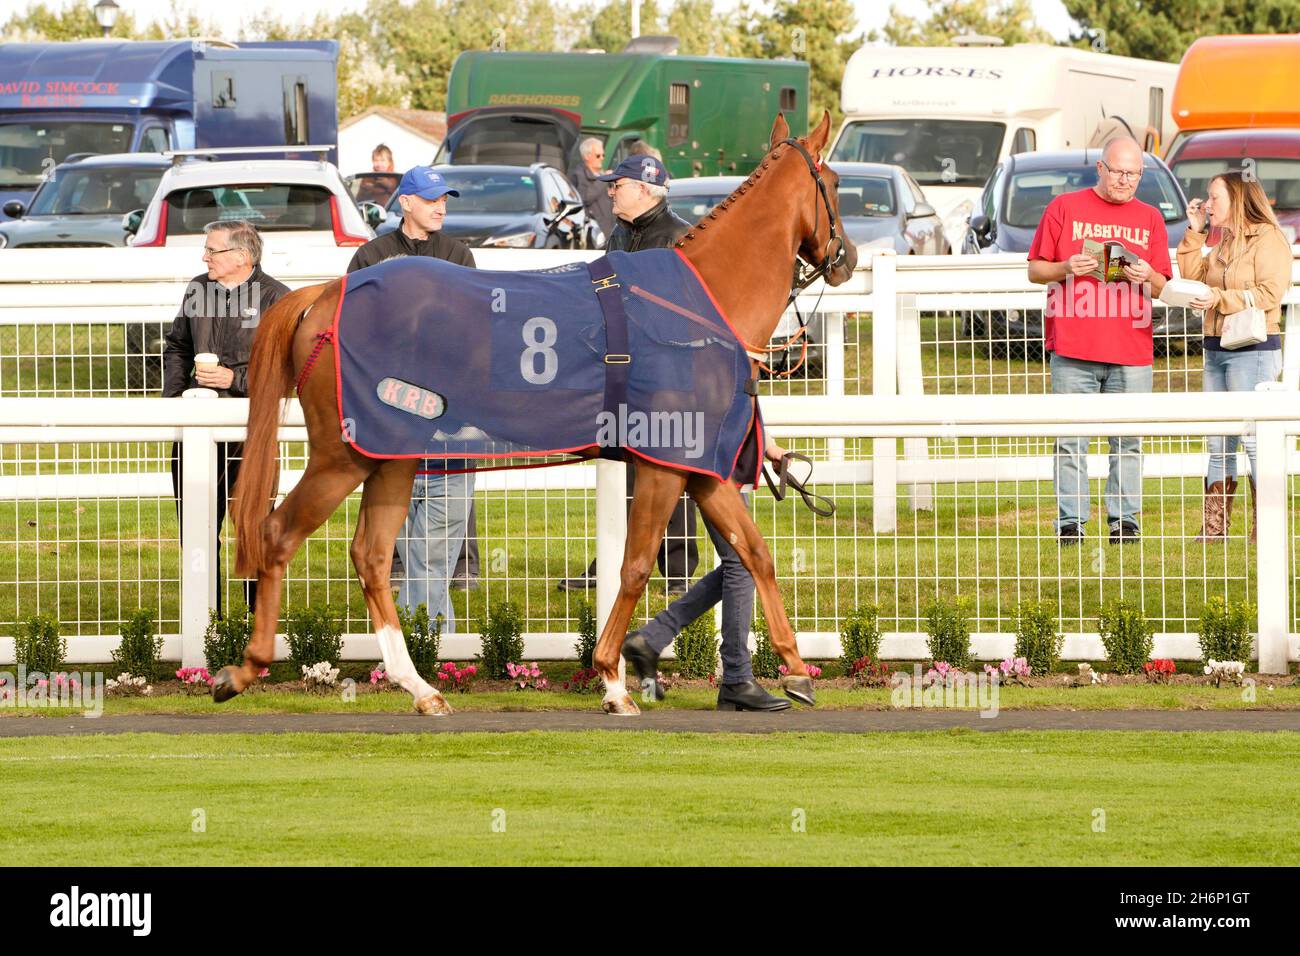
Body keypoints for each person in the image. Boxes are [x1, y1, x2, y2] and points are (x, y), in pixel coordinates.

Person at [557, 154, 699, 595]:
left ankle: (678, 571)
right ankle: (610, 559)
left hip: (667, 374)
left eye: (617, 184)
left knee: (670, 467)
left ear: (642, 188)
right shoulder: (620, 232)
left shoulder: (679, 237)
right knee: (620, 464)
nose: (610, 191)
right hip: (623, 370)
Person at [347, 166, 476, 630]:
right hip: (392, 421)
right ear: (405, 202)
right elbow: (355, 331)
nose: (440, 207)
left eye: (444, 200)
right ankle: (433, 644)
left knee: (435, 547)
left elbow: (470, 331)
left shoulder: (459, 255)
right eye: (431, 199)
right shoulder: (371, 256)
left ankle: (421, 643)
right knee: (412, 547)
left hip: (447, 420)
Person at [1027, 138, 1171, 546]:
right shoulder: (1064, 208)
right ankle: (1071, 524)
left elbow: (1163, 285)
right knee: (1071, 440)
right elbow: (1035, 271)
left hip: (1132, 348)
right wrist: (1066, 267)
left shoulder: (1150, 218)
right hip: (1074, 346)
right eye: (1118, 172)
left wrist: (1147, 276)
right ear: (1100, 169)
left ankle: (1124, 523)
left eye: (1133, 174)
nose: (1125, 180)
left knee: (1128, 440)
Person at [164, 219, 288, 615]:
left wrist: (236, 380)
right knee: (195, 526)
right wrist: (176, 401)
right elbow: (178, 346)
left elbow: (288, 368)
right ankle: (206, 618)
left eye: (211, 250)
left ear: (241, 256)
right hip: (197, 426)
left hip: (252, 431)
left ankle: (257, 620)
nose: (205, 257)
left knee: (254, 526)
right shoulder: (198, 288)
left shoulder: (277, 298)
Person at [623, 439, 795, 712]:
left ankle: (651, 639)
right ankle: (736, 678)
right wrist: (768, 446)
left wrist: (766, 444)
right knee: (743, 562)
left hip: (711, 455)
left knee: (740, 563)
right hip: (714, 460)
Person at [1179, 171, 1293, 543]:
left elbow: (1270, 293)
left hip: (1253, 350)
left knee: (1255, 439)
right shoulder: (1223, 242)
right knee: (1218, 441)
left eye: (1214, 198)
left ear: (1238, 200)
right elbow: (1195, 279)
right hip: (1217, 348)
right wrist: (1195, 233)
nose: (1207, 204)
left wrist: (1220, 298)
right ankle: (1215, 529)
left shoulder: (1269, 239)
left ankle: (1266, 526)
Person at [569, 137, 614, 244]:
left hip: (610, 232)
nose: (602, 158)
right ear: (587, 156)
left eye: (603, 155)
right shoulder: (578, 175)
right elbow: (584, 198)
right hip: (593, 234)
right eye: (598, 155)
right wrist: (604, 179)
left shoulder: (601, 174)